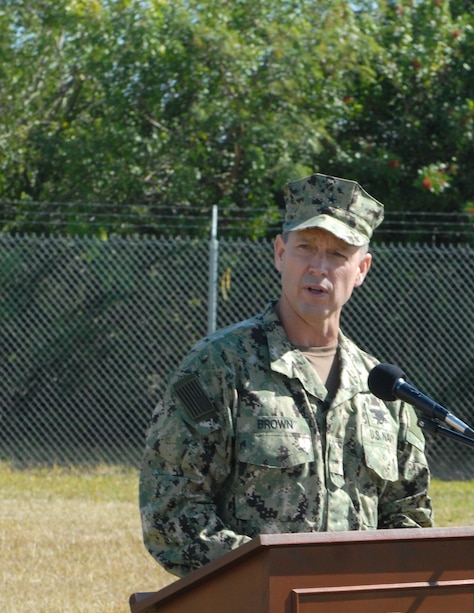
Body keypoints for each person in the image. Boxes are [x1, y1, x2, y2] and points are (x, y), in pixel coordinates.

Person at [139, 173, 433, 576]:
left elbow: (409, 516)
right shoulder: (219, 367)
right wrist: (278, 575)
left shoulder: (382, 389)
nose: (318, 267)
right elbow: (171, 514)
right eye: (305, 248)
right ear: (280, 253)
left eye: (337, 254)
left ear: (362, 268)